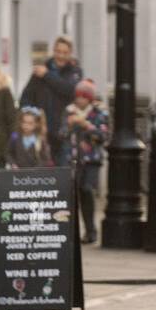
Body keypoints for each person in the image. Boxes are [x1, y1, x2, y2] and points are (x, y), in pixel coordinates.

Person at [20, 36, 83, 165]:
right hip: (42, 132)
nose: (61, 56)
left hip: (64, 133)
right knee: (42, 173)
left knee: (63, 173)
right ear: (53, 51)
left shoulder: (75, 71)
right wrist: (31, 115)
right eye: (58, 51)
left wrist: (47, 75)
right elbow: (26, 97)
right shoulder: (40, 71)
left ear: (70, 53)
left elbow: (69, 89)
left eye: (65, 53)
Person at [65, 80, 109, 243]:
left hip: (91, 160)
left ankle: (91, 230)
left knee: (87, 191)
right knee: (71, 195)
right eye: (77, 97)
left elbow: (103, 136)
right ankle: (72, 231)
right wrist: (69, 126)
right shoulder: (69, 112)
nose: (79, 100)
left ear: (89, 98)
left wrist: (86, 125)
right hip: (73, 159)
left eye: (83, 97)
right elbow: (61, 134)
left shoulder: (99, 113)